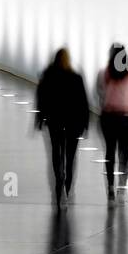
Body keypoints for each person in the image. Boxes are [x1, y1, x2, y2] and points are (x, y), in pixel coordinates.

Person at [34, 48, 90, 208]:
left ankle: (59, 181)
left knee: (56, 153)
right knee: (70, 158)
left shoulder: (49, 76)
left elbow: (42, 98)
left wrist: (40, 118)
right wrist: (85, 124)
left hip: (55, 122)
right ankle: (67, 187)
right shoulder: (76, 78)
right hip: (74, 124)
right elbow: (83, 103)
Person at [96, 43, 128, 202]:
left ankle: (110, 188)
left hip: (109, 117)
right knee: (124, 155)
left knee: (110, 152)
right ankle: (122, 187)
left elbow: (100, 92)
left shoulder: (104, 73)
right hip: (126, 117)